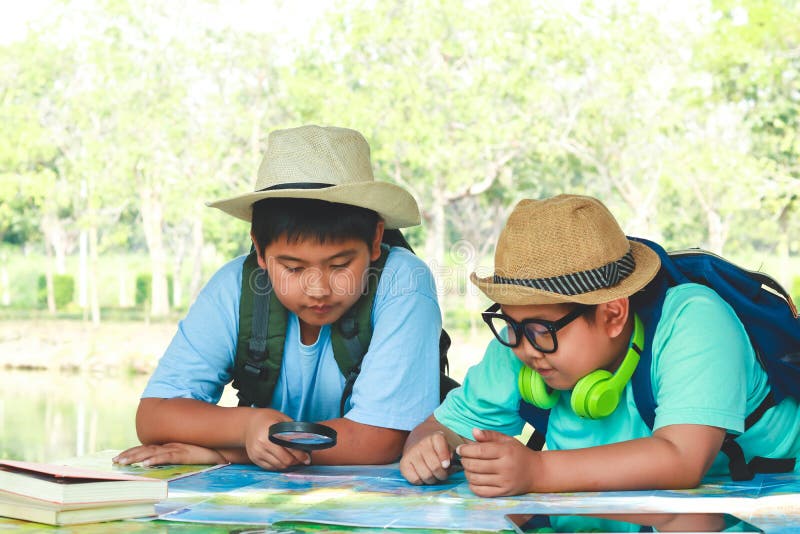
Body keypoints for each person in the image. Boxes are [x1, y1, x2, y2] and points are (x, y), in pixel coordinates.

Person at [400, 194, 800, 497]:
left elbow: (683, 460)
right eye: (510, 323)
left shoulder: (695, 319)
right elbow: (443, 427)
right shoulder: (523, 339)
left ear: (613, 314)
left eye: (541, 329)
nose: (523, 349)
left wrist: (537, 471)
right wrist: (428, 447)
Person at [114, 125, 442, 470]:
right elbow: (154, 417)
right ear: (259, 249)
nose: (318, 289)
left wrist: (230, 452)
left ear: (375, 240)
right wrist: (248, 426)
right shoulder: (233, 287)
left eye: (340, 265)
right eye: (293, 268)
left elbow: (379, 439)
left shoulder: (404, 283)